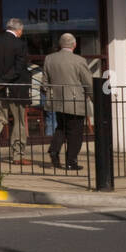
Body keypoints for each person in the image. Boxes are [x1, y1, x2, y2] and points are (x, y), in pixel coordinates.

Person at [0, 17, 32, 165]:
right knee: (19, 122)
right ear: (19, 30)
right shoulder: (20, 44)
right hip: (16, 89)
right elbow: (18, 68)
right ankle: (18, 155)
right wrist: (1, 81)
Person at [43, 32, 94, 171]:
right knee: (75, 133)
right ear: (74, 45)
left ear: (60, 45)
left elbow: (45, 83)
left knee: (61, 128)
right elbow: (88, 82)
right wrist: (94, 98)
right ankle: (71, 161)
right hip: (75, 101)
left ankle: (54, 151)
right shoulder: (79, 60)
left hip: (57, 101)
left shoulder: (49, 59)